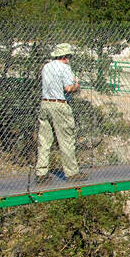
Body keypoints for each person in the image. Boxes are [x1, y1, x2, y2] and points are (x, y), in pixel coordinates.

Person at [35, 43, 82, 184]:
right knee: (66, 139)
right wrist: (77, 85)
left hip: (45, 103)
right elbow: (68, 88)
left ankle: (41, 172)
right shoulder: (65, 67)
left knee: (44, 140)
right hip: (60, 104)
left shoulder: (46, 67)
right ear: (66, 56)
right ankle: (71, 172)